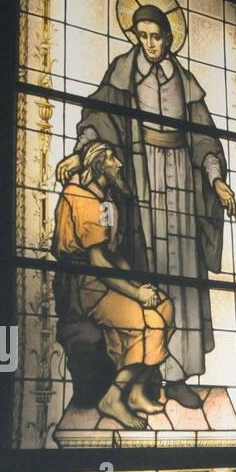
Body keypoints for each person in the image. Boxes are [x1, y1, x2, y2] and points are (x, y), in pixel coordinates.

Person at [56, 0, 236, 408]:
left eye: (156, 35)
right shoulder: (123, 71)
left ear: (168, 37)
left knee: (185, 274)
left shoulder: (186, 82)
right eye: (142, 35)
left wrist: (214, 179)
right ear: (135, 35)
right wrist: (82, 151)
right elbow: (98, 119)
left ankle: (180, 375)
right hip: (140, 181)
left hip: (182, 182)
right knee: (147, 267)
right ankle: (146, 376)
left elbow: (206, 139)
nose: (149, 43)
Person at [52, 140, 174, 430]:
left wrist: (139, 285)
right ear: (98, 165)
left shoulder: (104, 200)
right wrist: (135, 293)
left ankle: (134, 392)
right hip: (85, 286)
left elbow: (111, 254)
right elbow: (98, 262)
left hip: (105, 277)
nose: (119, 164)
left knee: (164, 308)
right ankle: (112, 397)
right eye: (111, 159)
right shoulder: (81, 199)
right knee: (147, 323)